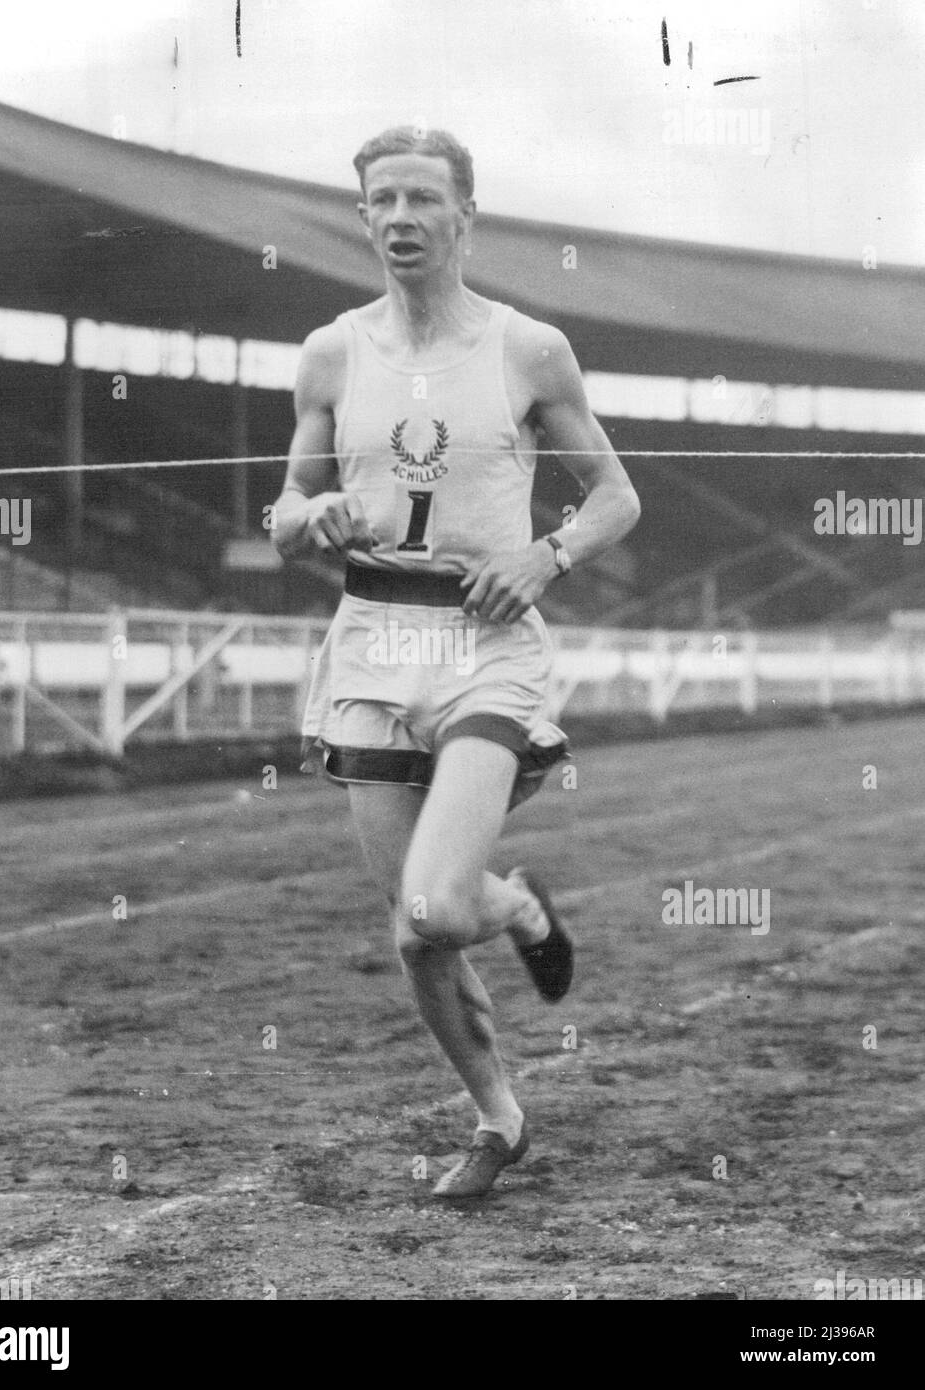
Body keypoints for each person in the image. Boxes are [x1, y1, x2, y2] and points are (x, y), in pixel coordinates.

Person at [272, 127, 640, 1198]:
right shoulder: (330, 354)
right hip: (371, 645)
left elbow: (616, 495)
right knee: (416, 936)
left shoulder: (528, 350)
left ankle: (518, 906)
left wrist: (545, 551)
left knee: (436, 905)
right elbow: (283, 512)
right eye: (380, 199)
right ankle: (497, 1118)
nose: (399, 218)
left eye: (422, 199)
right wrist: (315, 513)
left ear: (464, 216)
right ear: (361, 217)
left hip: (484, 646)